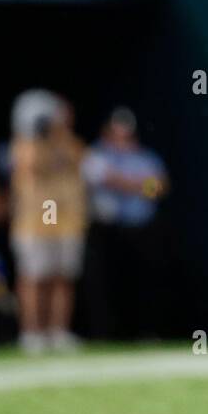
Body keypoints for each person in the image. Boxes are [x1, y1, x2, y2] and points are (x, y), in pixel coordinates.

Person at [81, 107, 168, 339]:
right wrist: (139, 185)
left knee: (144, 283)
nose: (121, 137)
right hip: (108, 230)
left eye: (126, 133)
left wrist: (125, 182)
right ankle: (106, 334)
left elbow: (159, 188)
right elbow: (97, 179)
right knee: (106, 285)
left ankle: (146, 333)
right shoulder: (96, 155)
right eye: (116, 132)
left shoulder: (145, 157)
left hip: (141, 229)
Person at [10, 100, 87, 353]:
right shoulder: (25, 145)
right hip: (33, 222)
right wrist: (39, 134)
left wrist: (59, 135)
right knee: (33, 279)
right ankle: (31, 333)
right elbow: (31, 165)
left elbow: (75, 161)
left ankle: (58, 331)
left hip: (66, 223)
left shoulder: (71, 144)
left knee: (62, 279)